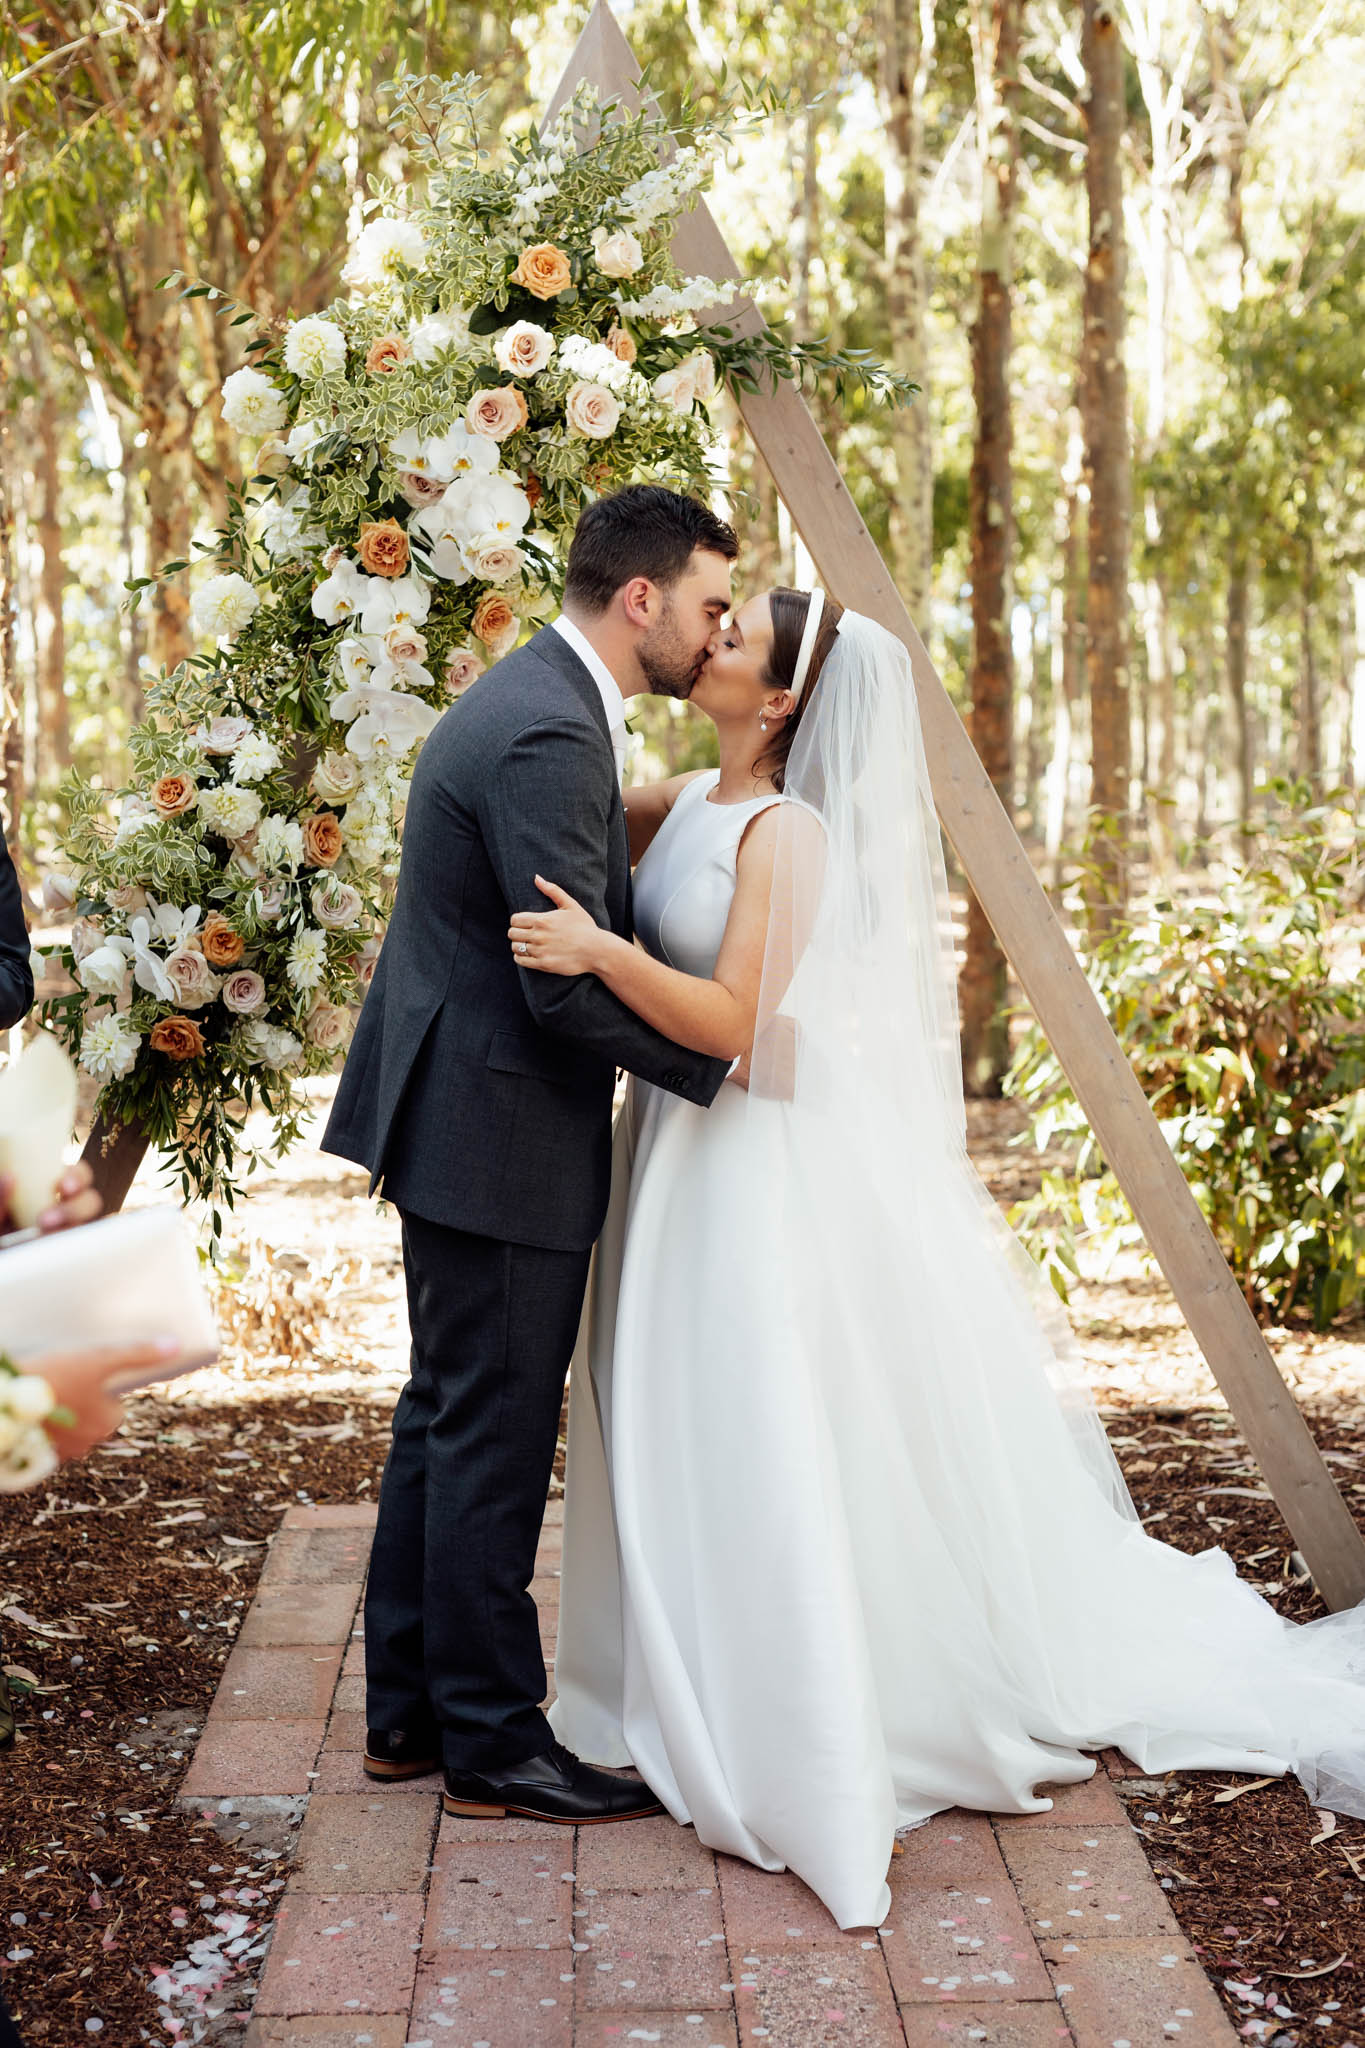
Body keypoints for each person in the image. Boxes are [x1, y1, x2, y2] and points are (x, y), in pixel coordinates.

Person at [510, 589, 1365, 1931]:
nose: (709, 641)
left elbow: (737, 1022)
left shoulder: (789, 837)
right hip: (666, 1164)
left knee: (757, 1419)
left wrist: (600, 950)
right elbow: (585, 811)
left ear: (781, 701)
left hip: (741, 1168)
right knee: (678, 1418)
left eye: (735, 641)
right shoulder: (693, 798)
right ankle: (674, 1666)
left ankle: (791, 1691)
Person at [321, 486, 740, 1824]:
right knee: (488, 1436)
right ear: (642, 600)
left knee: (447, 1422)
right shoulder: (551, 729)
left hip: (463, 1113)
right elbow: (560, 985)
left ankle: (413, 1719)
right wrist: (719, 1070)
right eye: (709, 604)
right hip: (496, 1126)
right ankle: (496, 1745)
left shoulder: (541, 705)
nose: (715, 629)